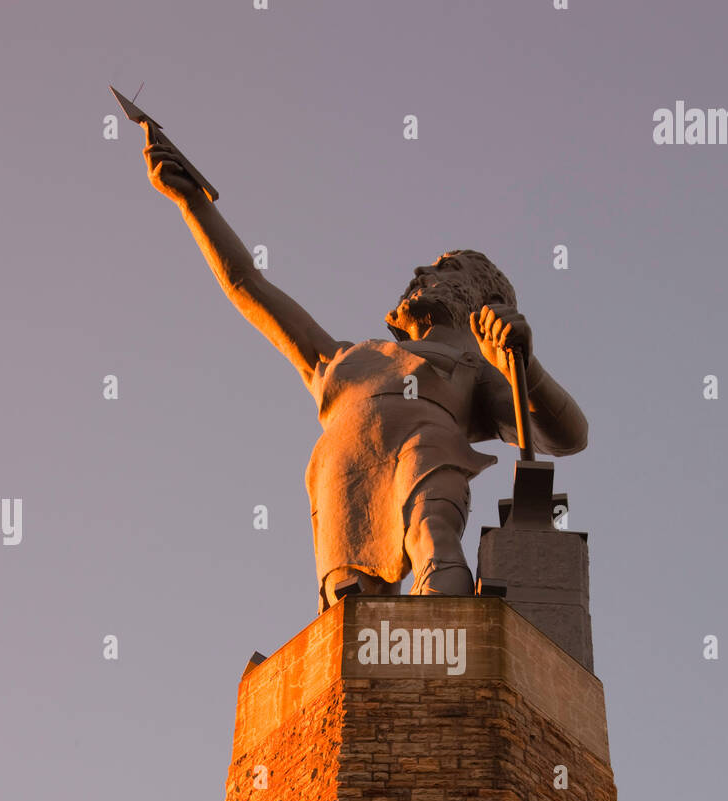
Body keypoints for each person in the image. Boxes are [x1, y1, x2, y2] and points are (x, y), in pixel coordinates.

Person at [142, 133, 588, 610]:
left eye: (446, 268)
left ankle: (445, 638)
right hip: (344, 470)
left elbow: (566, 435)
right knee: (344, 605)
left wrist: (523, 363)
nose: (421, 271)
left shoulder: (476, 366)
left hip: (426, 452)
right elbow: (248, 283)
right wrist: (192, 203)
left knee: (435, 548)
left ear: (479, 297)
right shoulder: (339, 358)